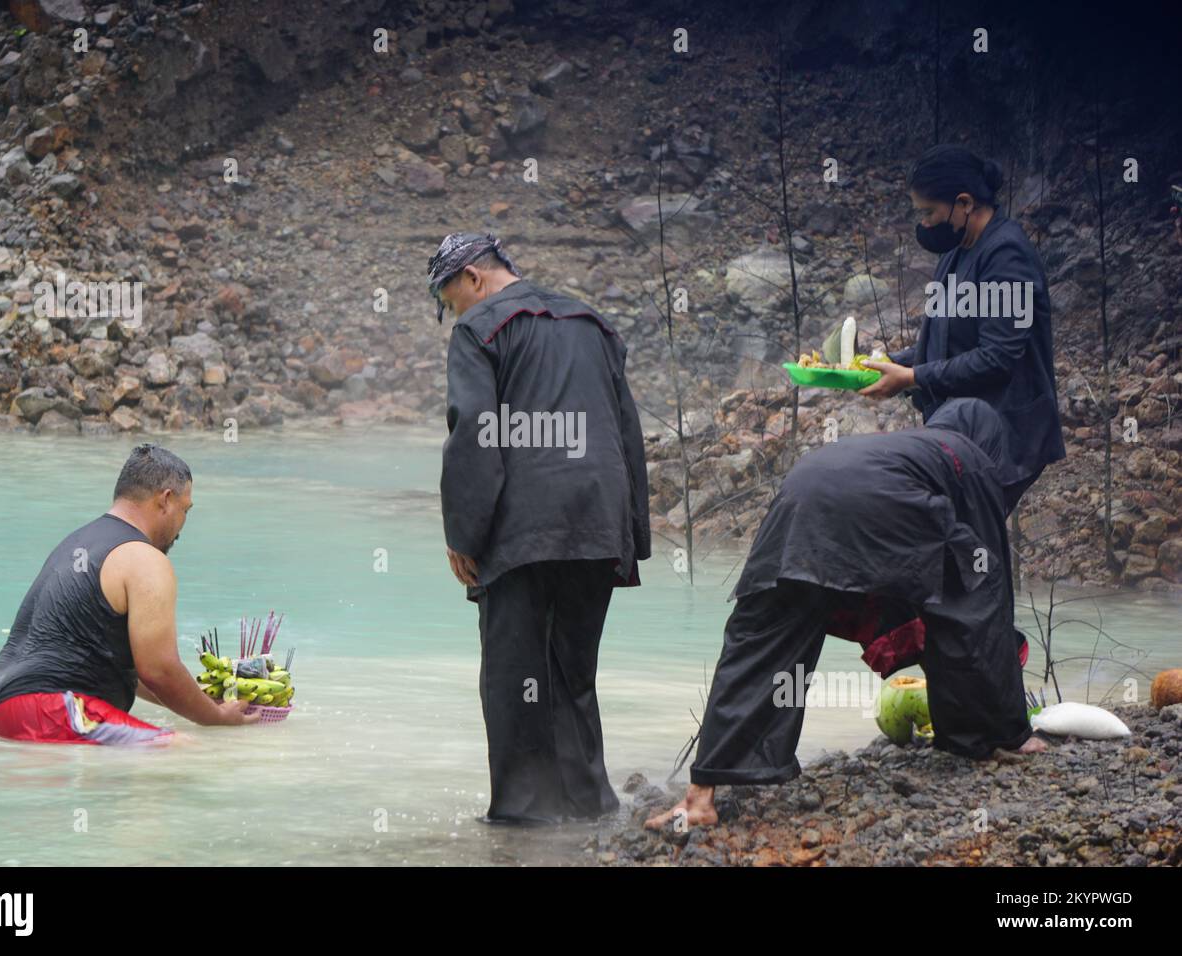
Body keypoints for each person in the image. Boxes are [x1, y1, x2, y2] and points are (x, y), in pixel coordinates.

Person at [645, 399, 1045, 832]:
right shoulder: (971, 459)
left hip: (801, 495)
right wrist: (1014, 730)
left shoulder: (902, 445)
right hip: (877, 505)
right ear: (988, 443)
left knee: (759, 639)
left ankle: (700, 797)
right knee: (972, 597)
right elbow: (987, 600)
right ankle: (986, 739)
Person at [430, 231, 651, 824]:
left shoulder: (479, 331)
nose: (455, 312)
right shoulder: (594, 324)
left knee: (514, 681)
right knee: (572, 674)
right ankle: (591, 810)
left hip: (522, 530)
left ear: (474, 278)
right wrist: (633, 536)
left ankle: (524, 824)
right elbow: (625, 432)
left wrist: (463, 534)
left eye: (451, 299)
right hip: (597, 523)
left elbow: (475, 433)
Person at [0, 444, 260, 744]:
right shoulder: (145, 558)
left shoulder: (77, 545)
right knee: (184, 750)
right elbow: (159, 670)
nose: (181, 527)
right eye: (185, 510)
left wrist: (202, 702)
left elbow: (122, 668)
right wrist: (216, 719)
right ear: (165, 500)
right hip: (48, 706)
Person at [860, 144, 1064, 514]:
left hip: (1005, 434)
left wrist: (911, 377)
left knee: (961, 541)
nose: (923, 223)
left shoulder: (1007, 256)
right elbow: (944, 341)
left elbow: (998, 358)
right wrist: (885, 364)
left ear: (965, 202)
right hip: (963, 427)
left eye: (928, 212)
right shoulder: (957, 251)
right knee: (948, 540)